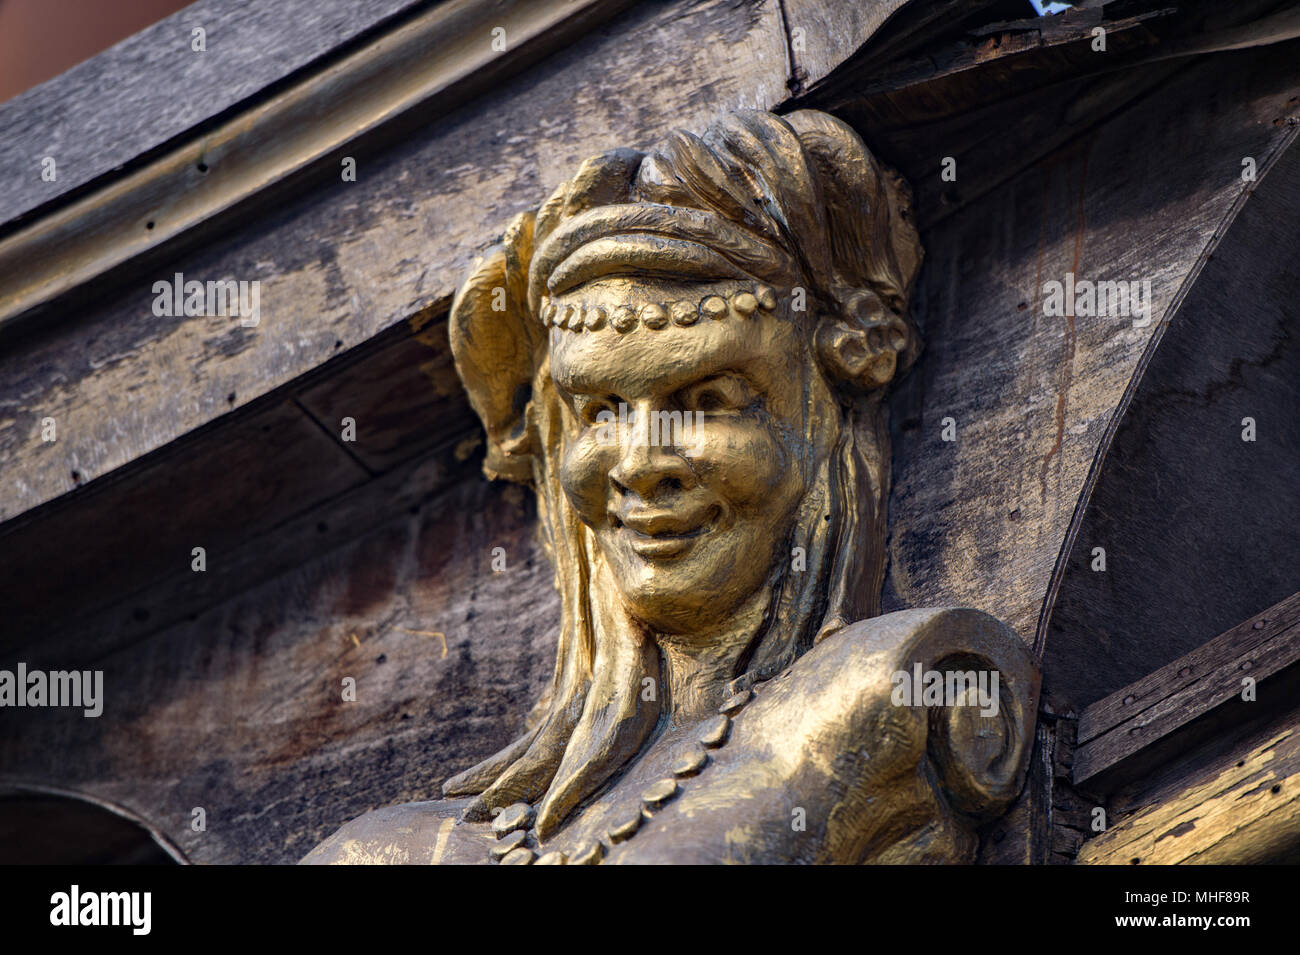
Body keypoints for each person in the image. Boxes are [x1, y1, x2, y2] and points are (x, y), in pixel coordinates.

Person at [302, 109, 1036, 865]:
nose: (641, 462)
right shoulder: (386, 850)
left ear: (827, 394)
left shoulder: (872, 698)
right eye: (601, 411)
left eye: (707, 401)